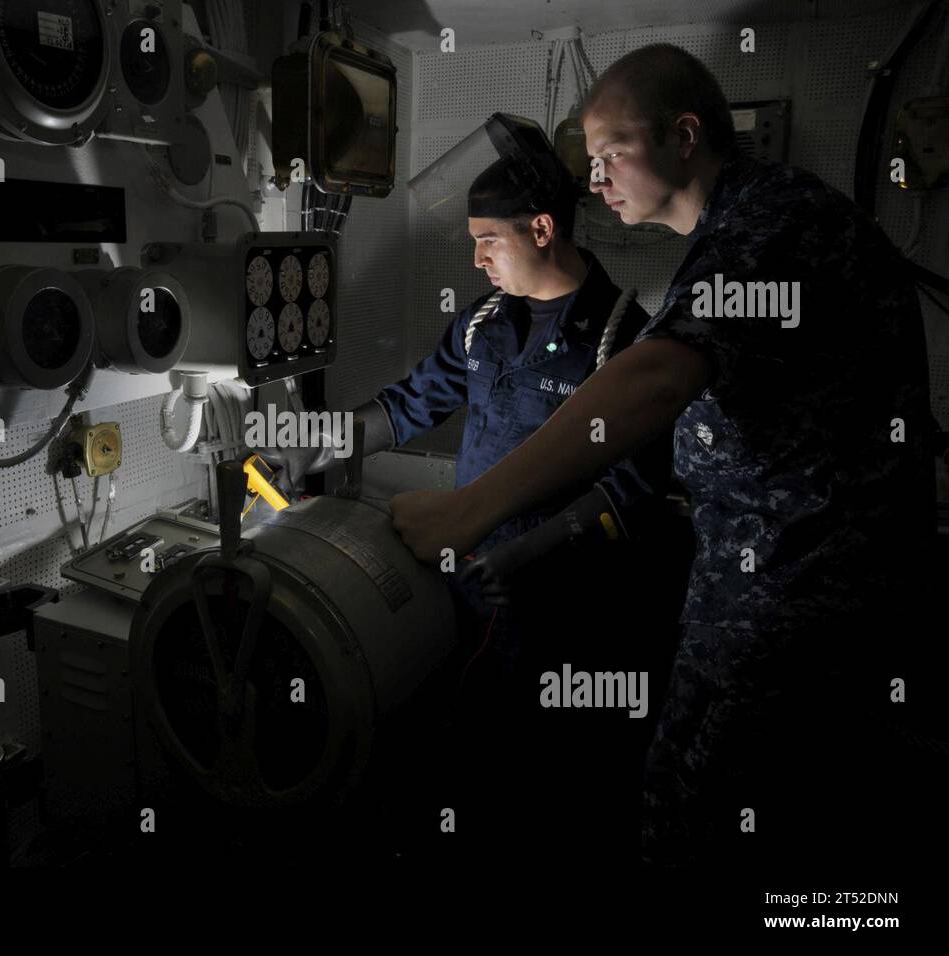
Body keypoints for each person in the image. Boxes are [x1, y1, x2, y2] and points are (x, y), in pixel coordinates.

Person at [390, 44, 938, 867]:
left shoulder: (774, 223)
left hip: (802, 619)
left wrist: (467, 511)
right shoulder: (730, 233)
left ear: (685, 138)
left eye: (612, 153)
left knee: (730, 832)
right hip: (761, 597)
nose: (596, 178)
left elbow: (654, 380)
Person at [282, 117, 679, 851]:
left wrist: (519, 558)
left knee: (556, 788)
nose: (476, 259)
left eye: (487, 240)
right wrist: (310, 445)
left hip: (569, 619)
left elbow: (629, 493)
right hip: (467, 597)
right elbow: (408, 405)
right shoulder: (483, 325)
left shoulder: (624, 339)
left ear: (541, 229)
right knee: (470, 765)